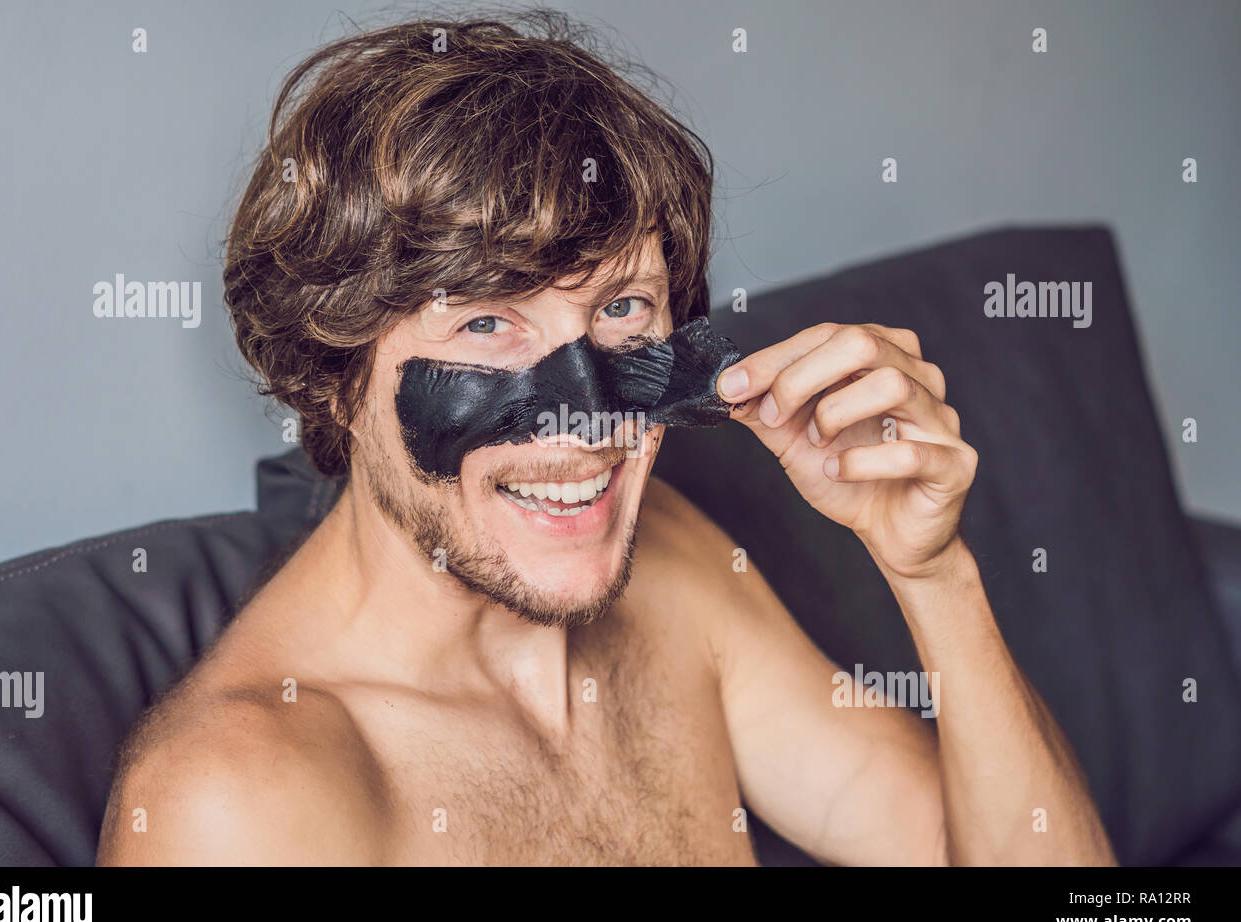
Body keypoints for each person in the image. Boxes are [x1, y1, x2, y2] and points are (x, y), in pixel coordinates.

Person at [97, 11, 1115, 866]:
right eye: (489, 323)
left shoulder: (672, 561)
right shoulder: (241, 806)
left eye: (622, 308)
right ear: (333, 382)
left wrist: (935, 574)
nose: (586, 417)